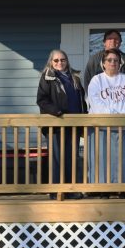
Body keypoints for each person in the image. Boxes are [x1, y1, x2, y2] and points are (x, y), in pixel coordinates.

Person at [36, 49, 86, 197]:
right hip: (56, 125)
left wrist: (84, 116)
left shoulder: (74, 77)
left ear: (67, 61)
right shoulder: (47, 77)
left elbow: (81, 100)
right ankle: (56, 191)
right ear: (51, 62)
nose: (59, 63)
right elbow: (42, 100)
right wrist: (57, 112)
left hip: (74, 124)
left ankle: (71, 191)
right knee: (57, 159)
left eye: (62, 60)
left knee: (71, 158)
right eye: (56, 60)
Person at [87, 48, 125, 185]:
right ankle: (101, 188)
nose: (113, 63)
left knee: (123, 160)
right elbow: (95, 102)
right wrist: (113, 116)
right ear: (103, 63)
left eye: (116, 60)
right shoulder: (96, 80)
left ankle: (123, 188)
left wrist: (120, 116)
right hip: (101, 129)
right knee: (102, 160)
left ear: (120, 63)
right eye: (109, 60)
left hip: (124, 128)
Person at [82, 29, 125, 94]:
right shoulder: (94, 60)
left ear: (120, 43)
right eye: (110, 38)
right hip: (100, 100)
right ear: (104, 42)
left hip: (122, 100)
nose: (113, 41)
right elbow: (87, 81)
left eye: (116, 39)